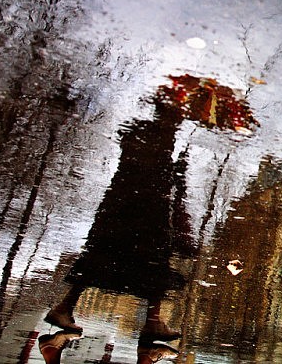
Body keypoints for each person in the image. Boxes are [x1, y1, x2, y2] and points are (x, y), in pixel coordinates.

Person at [40, 89, 196, 363]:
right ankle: (150, 326)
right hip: (142, 195)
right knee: (146, 248)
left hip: (129, 194)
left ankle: (148, 325)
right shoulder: (153, 131)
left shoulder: (139, 128)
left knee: (117, 248)